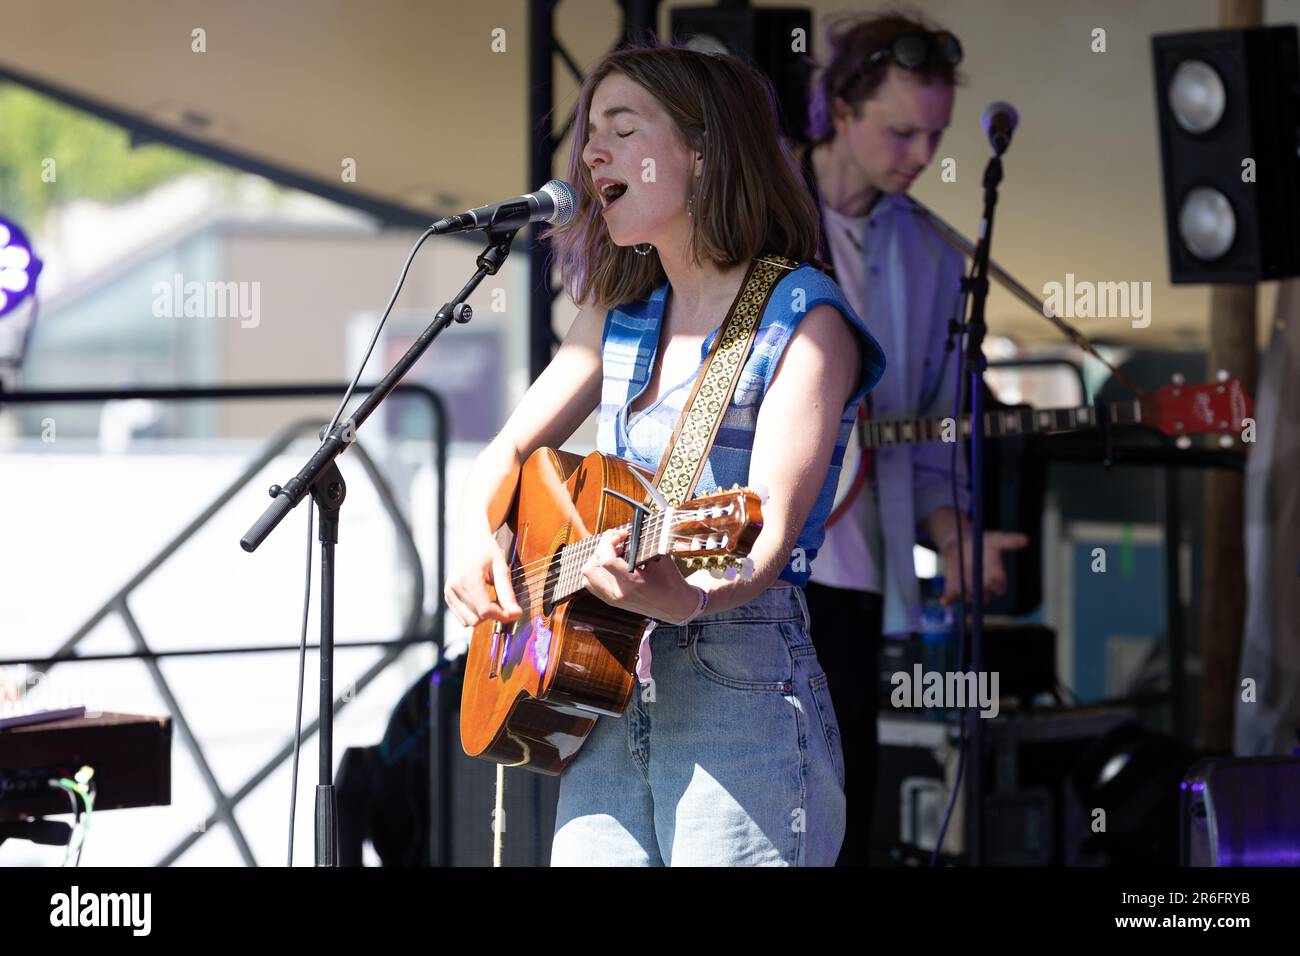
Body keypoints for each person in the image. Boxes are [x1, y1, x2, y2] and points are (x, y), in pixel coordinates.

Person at [443, 43, 885, 866]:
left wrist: (684, 599)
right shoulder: (620, 312)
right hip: (605, 693)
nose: (591, 155)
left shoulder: (802, 319)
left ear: (703, 153)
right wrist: (475, 537)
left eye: (622, 129)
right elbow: (504, 452)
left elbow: (763, 537)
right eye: (589, 134)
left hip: (740, 683)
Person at [798, 12, 1028, 865]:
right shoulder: (752, 212)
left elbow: (933, 434)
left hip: (854, 576)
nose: (921, 156)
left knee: (844, 809)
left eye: (934, 135)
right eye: (900, 131)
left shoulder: (933, 256)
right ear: (840, 111)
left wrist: (955, 535)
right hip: (733, 561)